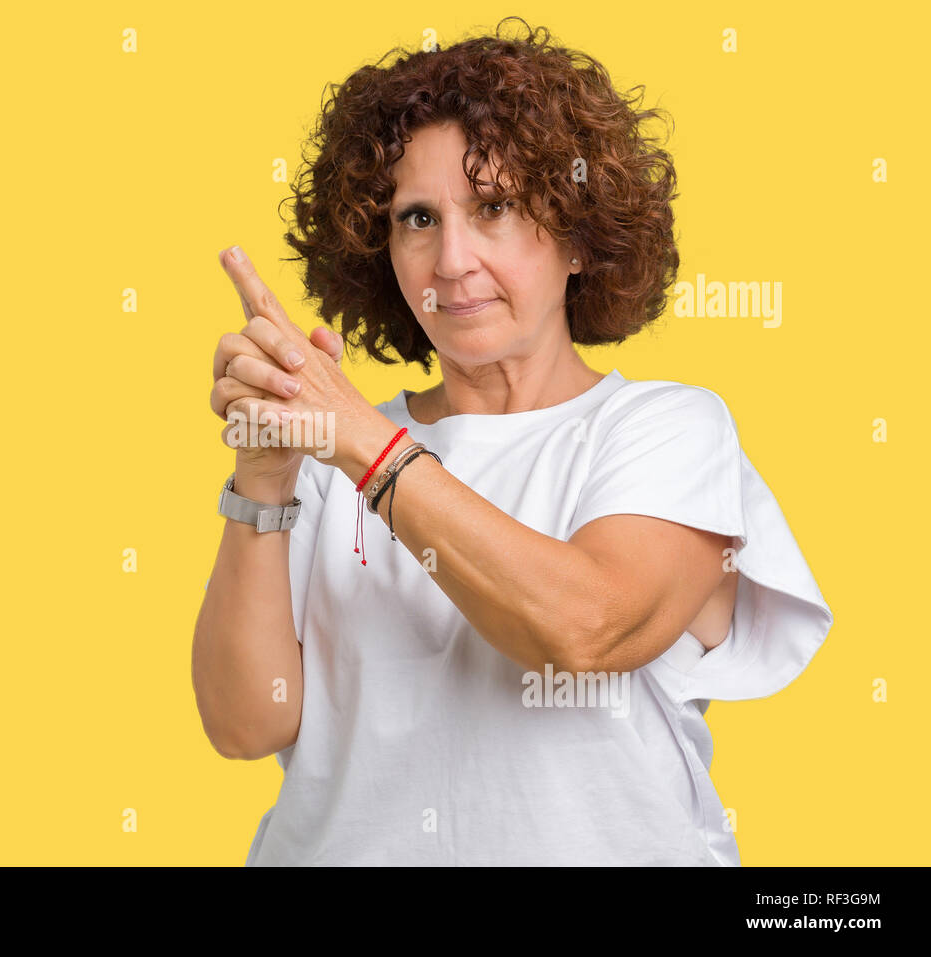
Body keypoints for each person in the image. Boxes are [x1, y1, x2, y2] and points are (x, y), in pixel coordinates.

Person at [191, 18, 833, 866]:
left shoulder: (667, 429)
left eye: (492, 208)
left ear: (576, 235)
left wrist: (360, 441)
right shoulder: (335, 448)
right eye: (417, 218)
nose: (450, 260)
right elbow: (247, 723)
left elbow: (585, 627)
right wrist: (265, 477)